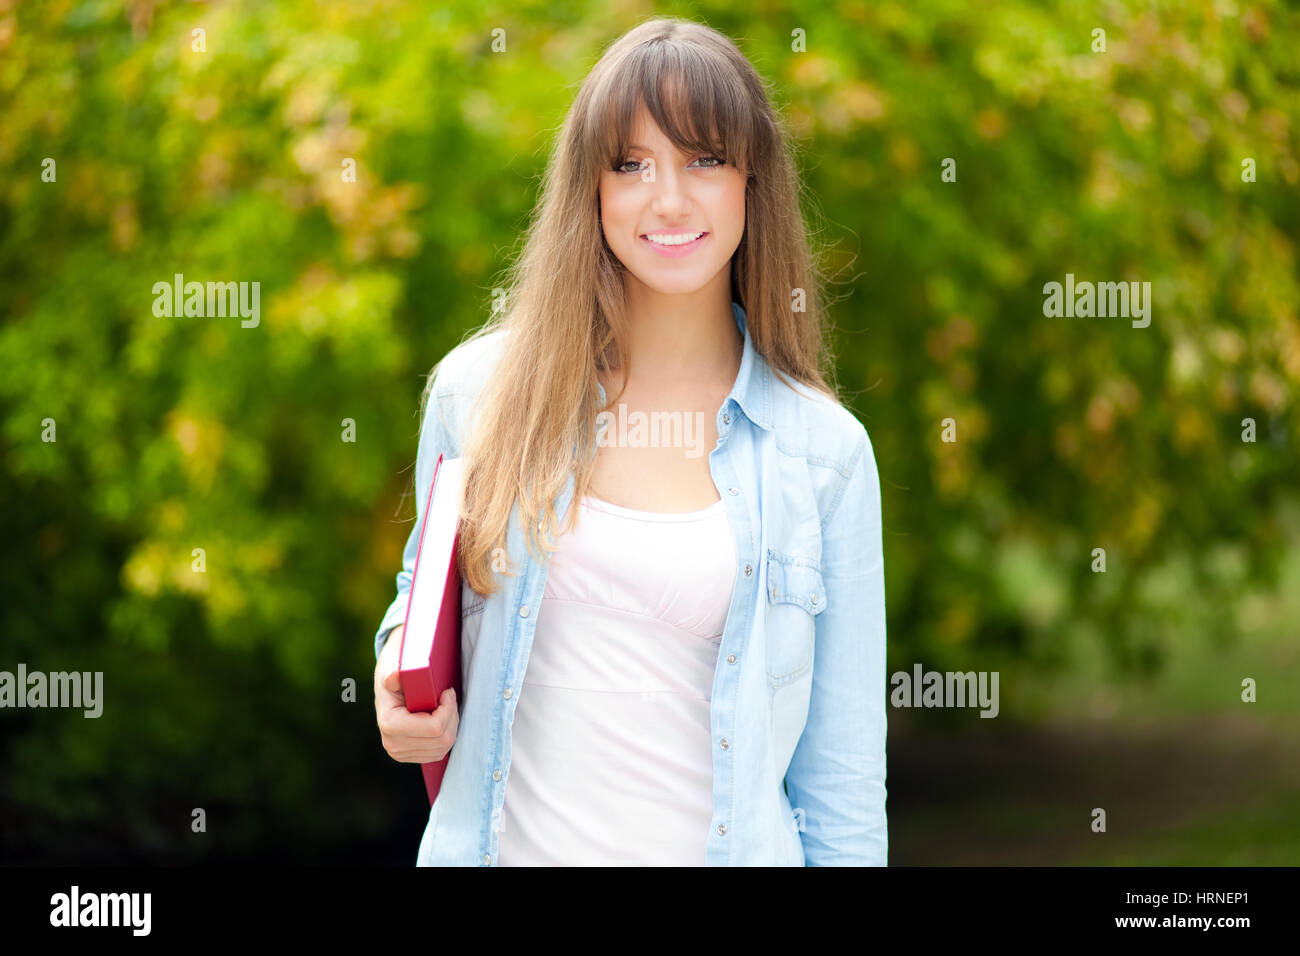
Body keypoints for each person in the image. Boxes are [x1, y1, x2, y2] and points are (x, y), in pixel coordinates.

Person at [372, 16, 887, 866]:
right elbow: (418, 596)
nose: (670, 199)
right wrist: (397, 680)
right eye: (632, 165)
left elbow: (842, 796)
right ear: (593, 190)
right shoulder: (479, 397)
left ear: (752, 180)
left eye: (705, 160)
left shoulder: (826, 456)